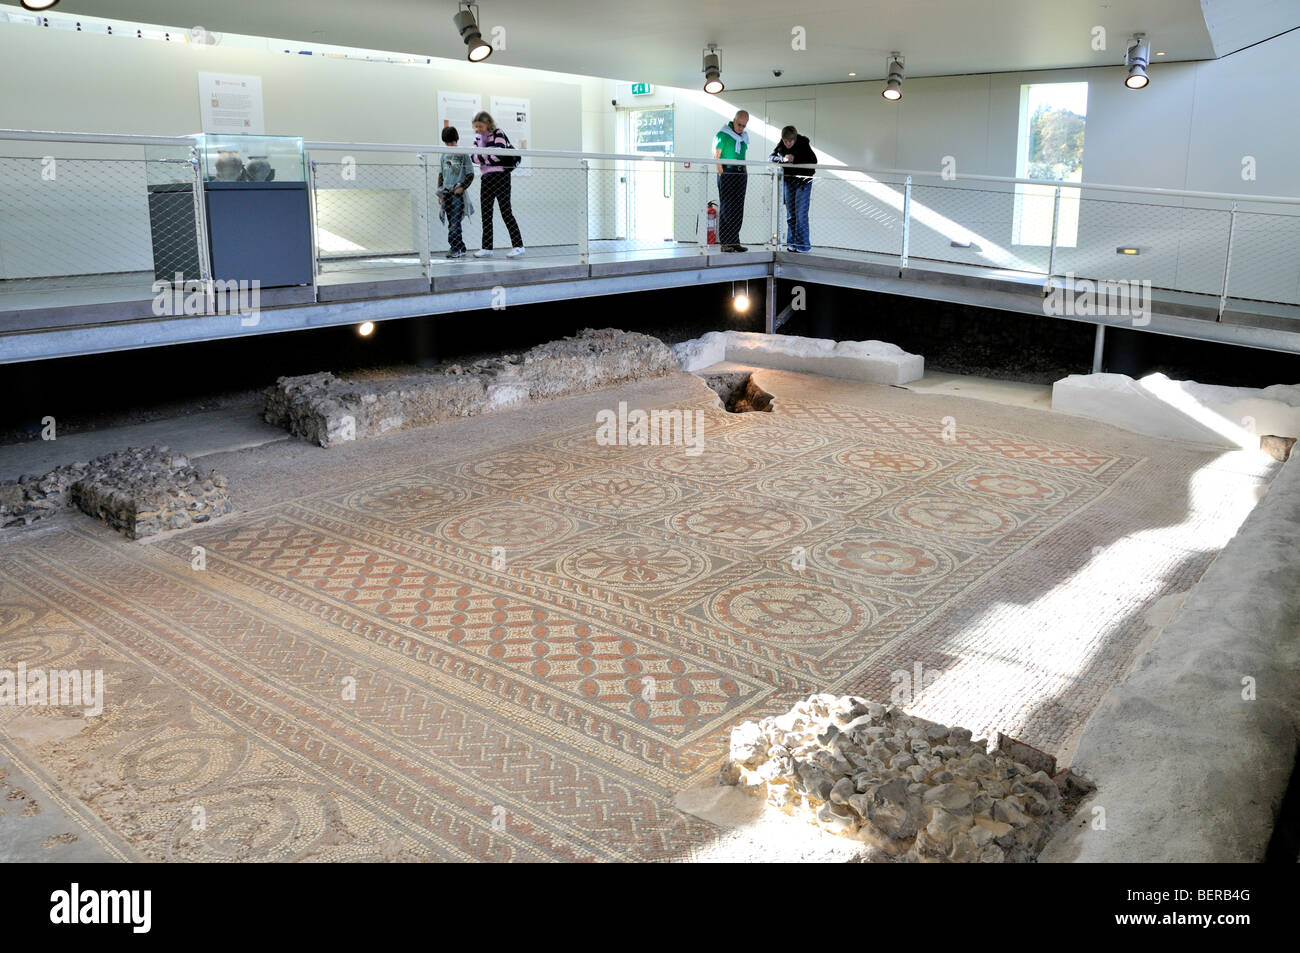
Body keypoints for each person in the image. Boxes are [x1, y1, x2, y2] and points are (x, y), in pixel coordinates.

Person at [470, 111, 525, 258]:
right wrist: (488, 155)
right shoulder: (477, 138)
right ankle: (487, 247)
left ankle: (518, 246)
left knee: (506, 212)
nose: (478, 130)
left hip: (501, 177)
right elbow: (473, 157)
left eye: (480, 126)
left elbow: (499, 155)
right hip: (486, 178)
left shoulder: (498, 133)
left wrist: (484, 156)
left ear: (488, 123)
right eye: (476, 127)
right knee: (486, 214)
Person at [769, 125, 816, 252]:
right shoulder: (781, 144)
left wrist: (794, 159)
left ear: (795, 139)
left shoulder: (803, 143)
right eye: (785, 141)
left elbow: (813, 160)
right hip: (789, 182)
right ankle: (792, 243)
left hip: (803, 182)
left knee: (801, 214)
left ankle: (803, 245)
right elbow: (771, 157)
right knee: (791, 215)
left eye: (790, 141)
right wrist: (783, 159)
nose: (788, 144)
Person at [713, 110, 750, 252]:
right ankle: (725, 242)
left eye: (743, 126)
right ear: (733, 120)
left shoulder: (743, 137)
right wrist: (722, 174)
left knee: (738, 208)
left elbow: (743, 156)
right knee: (727, 208)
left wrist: (745, 172)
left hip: (740, 173)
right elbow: (717, 156)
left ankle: (735, 241)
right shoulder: (723, 134)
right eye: (739, 124)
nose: (740, 128)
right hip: (727, 172)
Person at [436, 126, 475, 259]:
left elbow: (470, 174)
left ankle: (455, 248)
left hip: (458, 194)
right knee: (451, 222)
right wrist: (440, 193)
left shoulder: (463, 154)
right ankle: (461, 247)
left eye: (452, 142)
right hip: (446, 193)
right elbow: (441, 174)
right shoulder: (443, 155)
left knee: (455, 222)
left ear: (456, 140)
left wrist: (462, 187)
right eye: (447, 143)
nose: (449, 145)